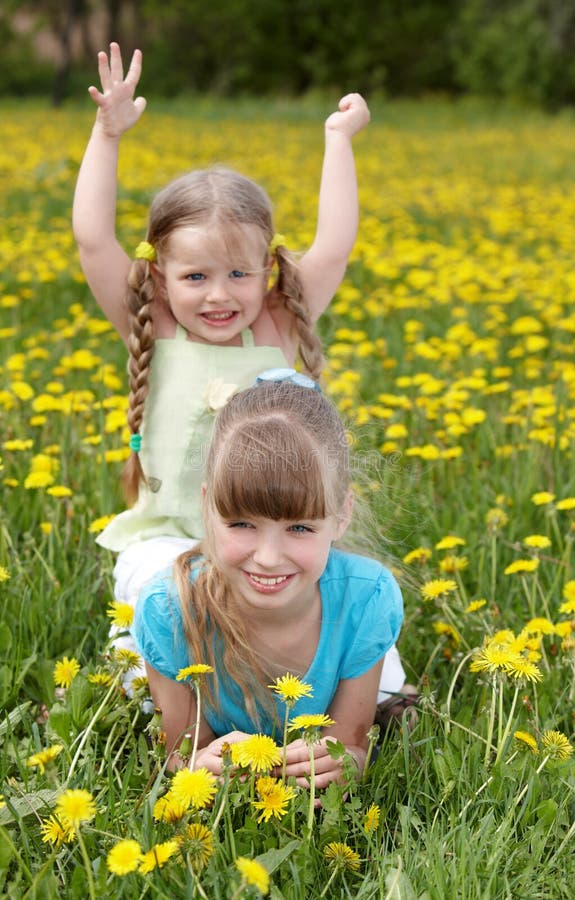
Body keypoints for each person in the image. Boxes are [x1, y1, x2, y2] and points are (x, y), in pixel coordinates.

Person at [73, 44, 413, 716]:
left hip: (272, 537)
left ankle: (317, 695)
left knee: (381, 670)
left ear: (269, 271)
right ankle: (181, 693)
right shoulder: (157, 327)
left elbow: (336, 243)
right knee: (154, 615)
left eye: (239, 274)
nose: (219, 296)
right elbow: (91, 240)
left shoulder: (279, 325)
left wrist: (337, 140)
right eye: (195, 276)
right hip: (175, 540)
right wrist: (105, 134)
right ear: (162, 278)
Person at [133, 378, 403, 783]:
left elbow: (350, 747)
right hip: (168, 597)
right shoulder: (170, 612)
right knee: (132, 655)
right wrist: (200, 765)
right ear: (207, 505)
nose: (268, 558)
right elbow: (181, 754)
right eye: (242, 523)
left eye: (299, 528)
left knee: (395, 688)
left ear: (341, 516)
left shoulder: (367, 600)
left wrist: (345, 764)